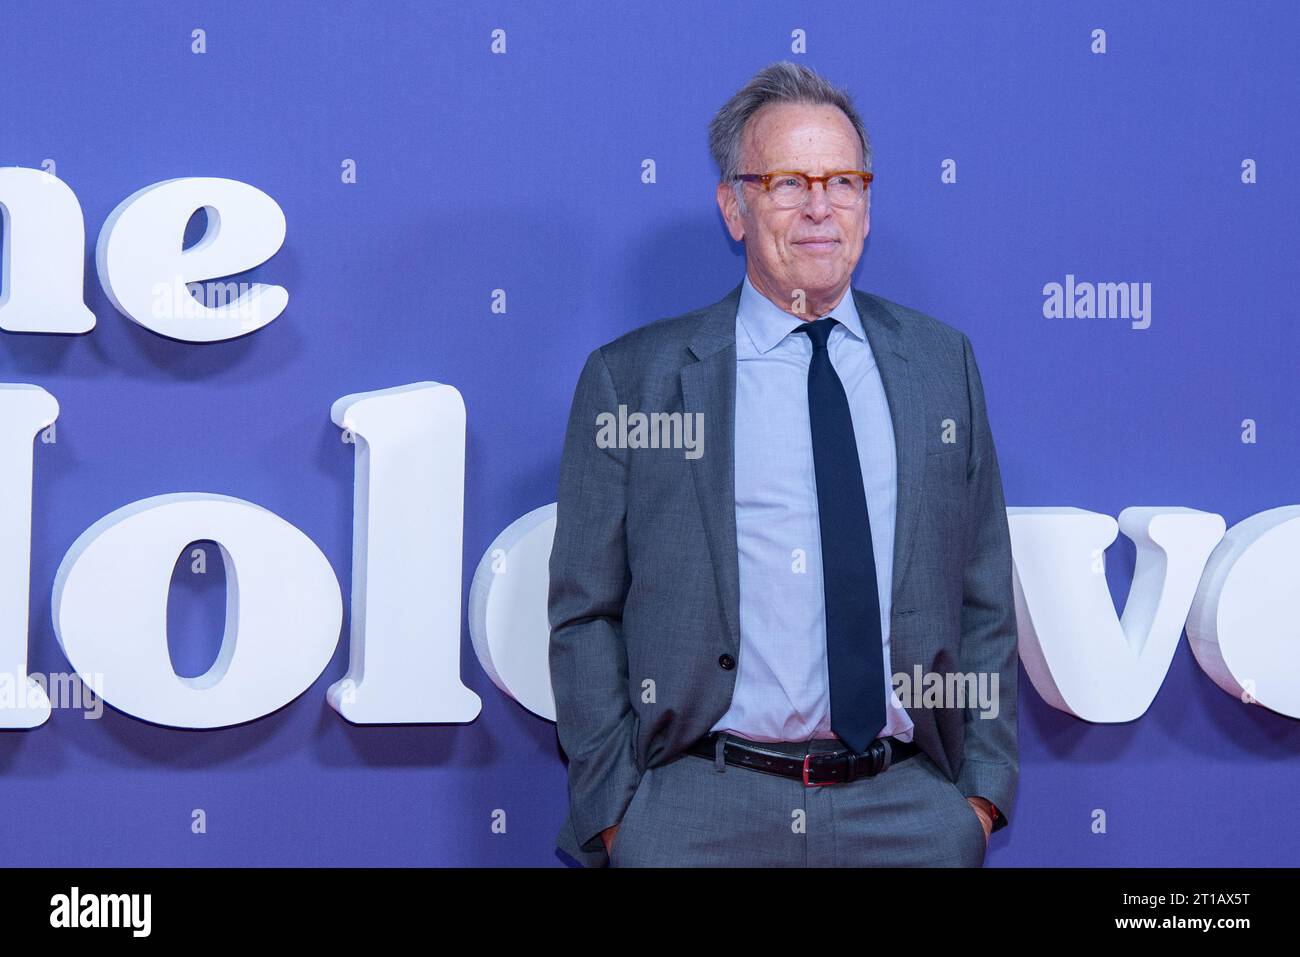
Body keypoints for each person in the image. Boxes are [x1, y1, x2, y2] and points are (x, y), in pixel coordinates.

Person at [548, 60, 1017, 867]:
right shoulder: (637, 378)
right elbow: (586, 613)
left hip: (909, 812)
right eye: (787, 182)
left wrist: (976, 796)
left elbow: (984, 597)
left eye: (843, 181)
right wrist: (623, 814)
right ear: (734, 206)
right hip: (699, 814)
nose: (819, 208)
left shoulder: (942, 366)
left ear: (867, 203)